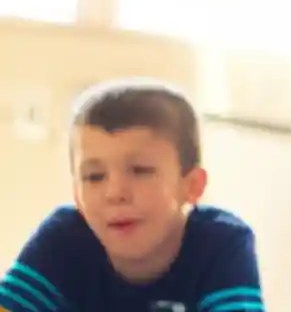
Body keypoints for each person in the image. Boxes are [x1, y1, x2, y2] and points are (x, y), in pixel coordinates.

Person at [0, 79, 263, 312]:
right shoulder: (63, 239)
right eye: (94, 176)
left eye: (140, 171)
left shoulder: (220, 243)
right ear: (76, 195)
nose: (115, 193)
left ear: (191, 186)